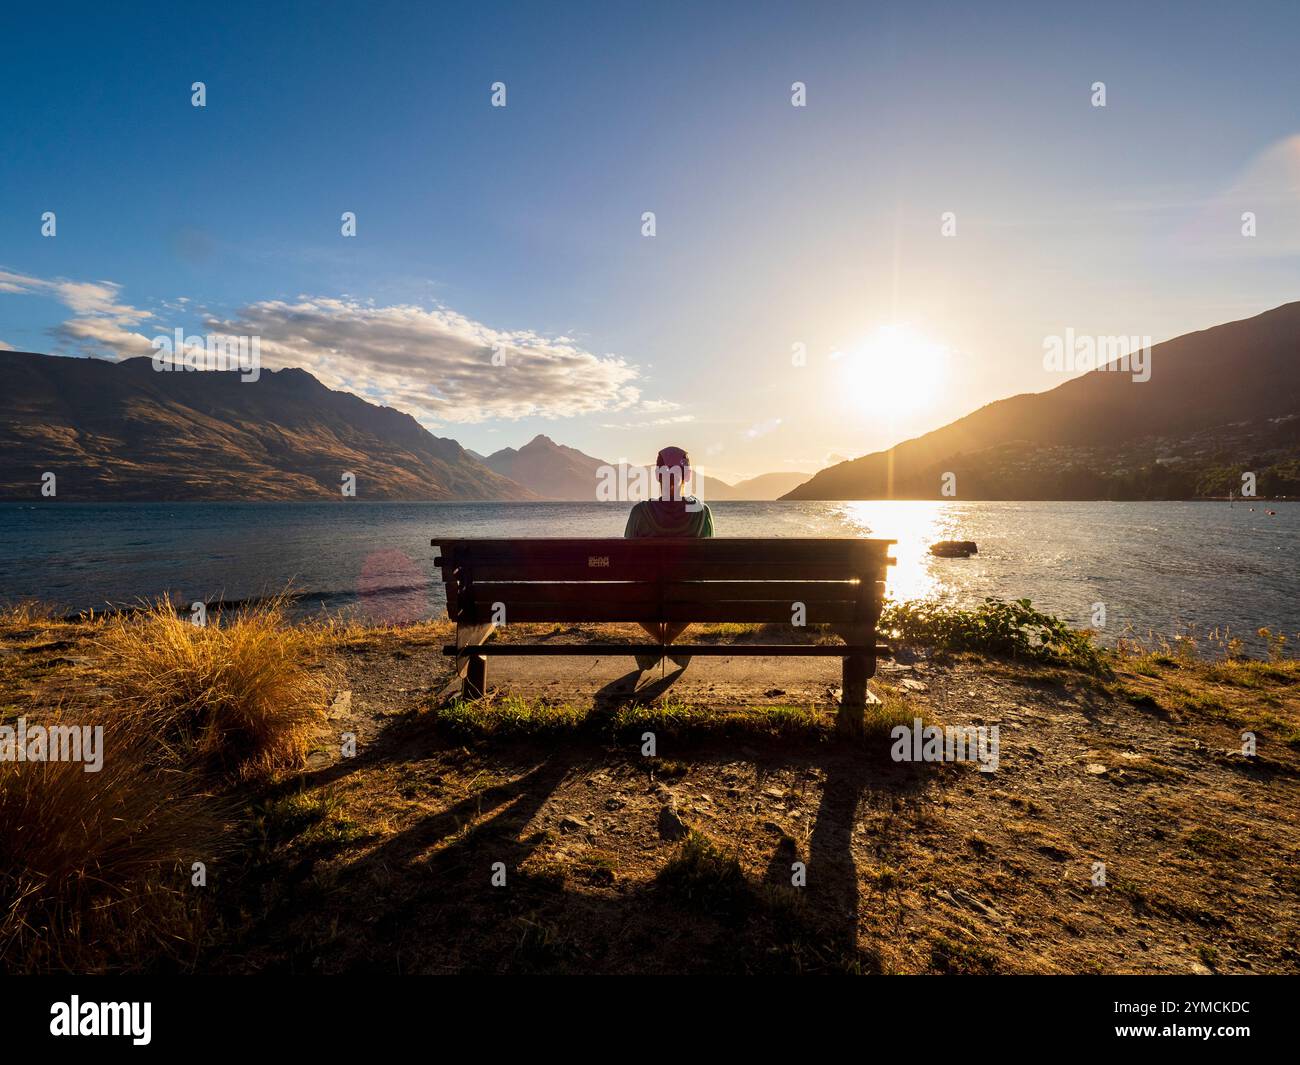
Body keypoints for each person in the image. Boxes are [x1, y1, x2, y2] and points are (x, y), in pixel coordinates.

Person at [624, 446, 714, 670]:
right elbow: (710, 558)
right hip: (687, 598)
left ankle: (660, 647)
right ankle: (669, 645)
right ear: (688, 475)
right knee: (694, 594)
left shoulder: (639, 513)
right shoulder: (701, 512)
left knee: (629, 599)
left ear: (657, 475)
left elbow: (625, 556)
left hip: (647, 598)